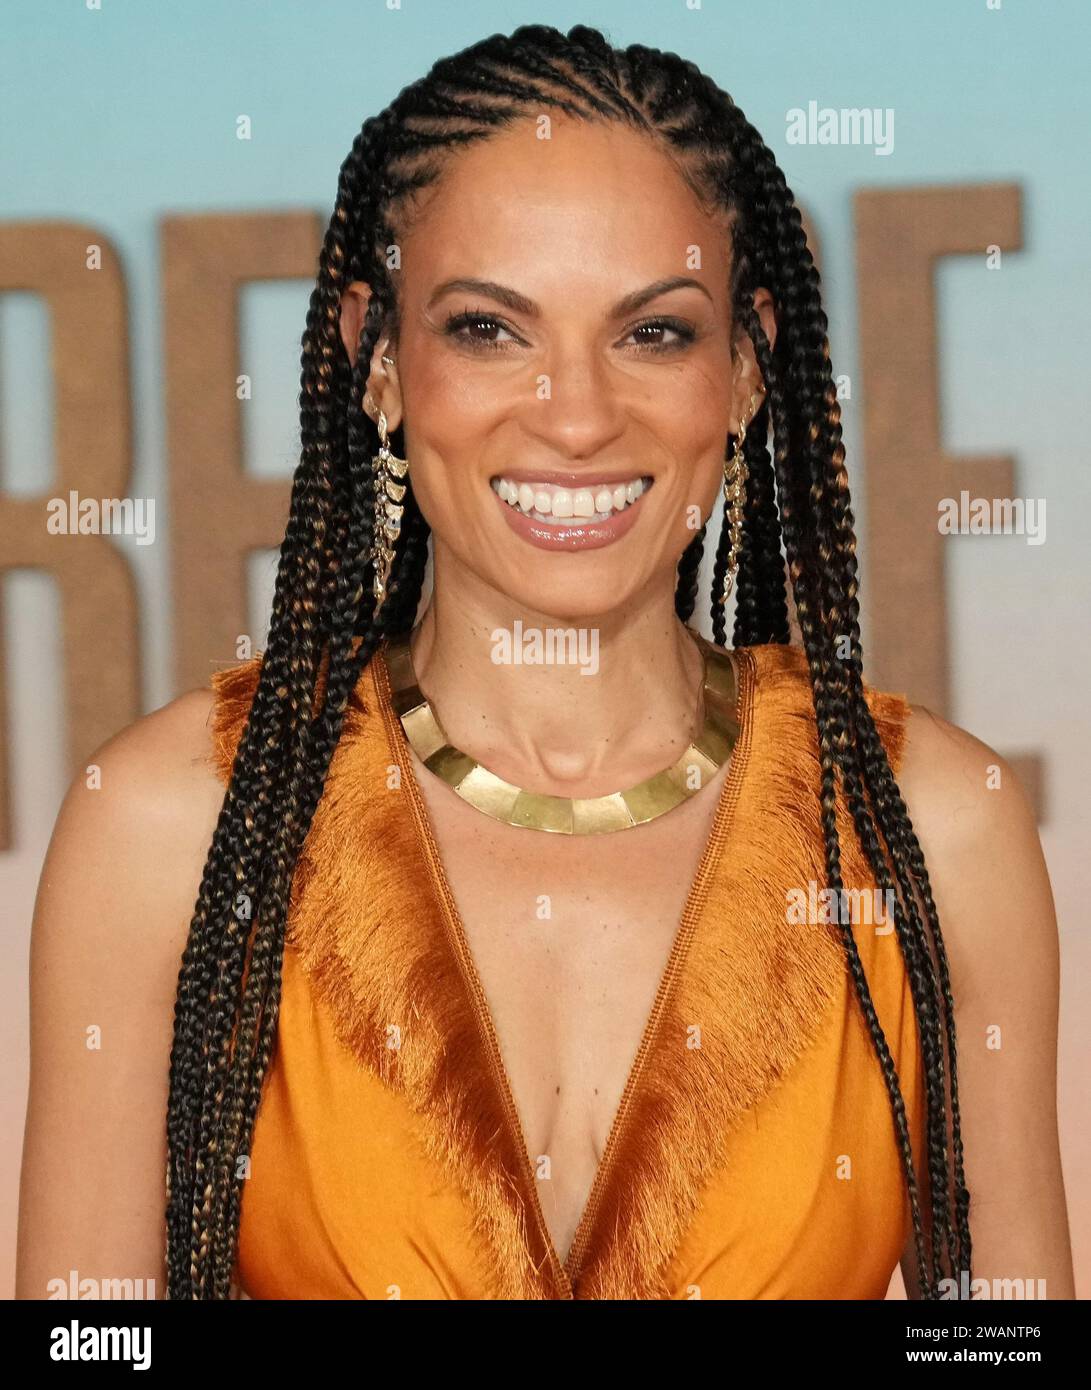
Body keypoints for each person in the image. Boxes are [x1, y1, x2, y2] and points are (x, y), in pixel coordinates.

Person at [16, 23, 1073, 1301]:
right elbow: (85, 1340)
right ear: (378, 358)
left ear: (743, 365)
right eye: (486, 328)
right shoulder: (171, 822)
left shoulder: (929, 829)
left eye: (653, 335)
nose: (574, 416)